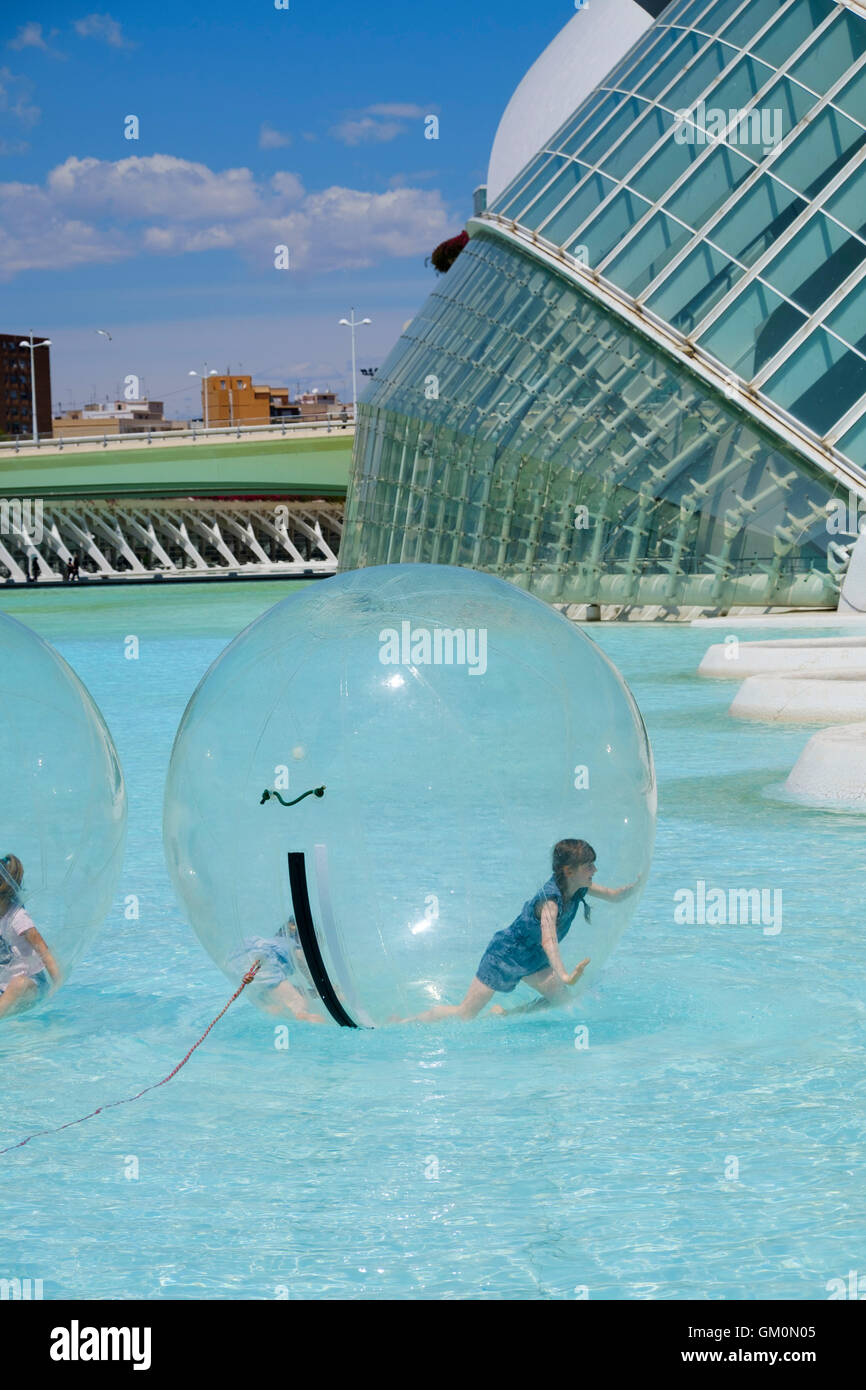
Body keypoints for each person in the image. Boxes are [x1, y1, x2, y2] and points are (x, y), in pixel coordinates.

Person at [410, 839, 638, 1022]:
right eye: (588, 865)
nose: (594, 870)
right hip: (505, 954)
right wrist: (564, 974)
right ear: (569, 871)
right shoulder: (549, 902)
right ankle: (403, 1022)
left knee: (564, 1002)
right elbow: (549, 941)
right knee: (465, 1015)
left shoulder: (578, 887)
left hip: (534, 958)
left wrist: (639, 880)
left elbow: (614, 895)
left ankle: (505, 1015)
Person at [0, 854, 62, 1018]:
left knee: (18, 984)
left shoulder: (18, 917)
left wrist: (58, 984)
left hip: (31, 985)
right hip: (4, 986)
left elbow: (43, 949)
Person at [229, 918, 323, 1023]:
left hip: (236, 959)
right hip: (263, 959)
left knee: (271, 991)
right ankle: (305, 1015)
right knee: (297, 1001)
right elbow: (302, 961)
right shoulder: (294, 945)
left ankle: (272, 1006)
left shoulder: (276, 942)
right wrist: (319, 986)